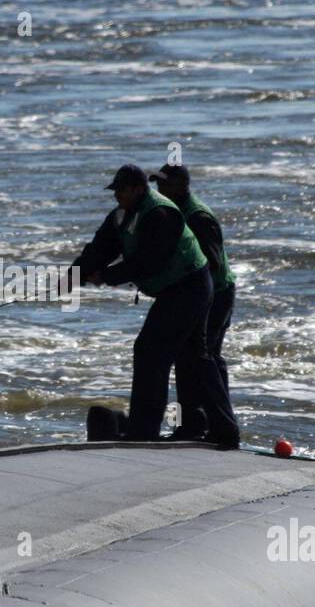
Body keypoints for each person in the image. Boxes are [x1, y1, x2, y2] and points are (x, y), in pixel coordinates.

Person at [73, 164, 240, 449]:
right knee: (194, 357)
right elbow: (101, 248)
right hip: (181, 288)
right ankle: (224, 431)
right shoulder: (123, 215)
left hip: (191, 286)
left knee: (151, 350)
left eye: (122, 191)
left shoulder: (161, 214)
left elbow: (150, 261)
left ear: (138, 189)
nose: (117, 197)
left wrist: (108, 276)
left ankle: (143, 430)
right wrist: (73, 276)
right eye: (115, 192)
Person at [150, 164, 236, 441]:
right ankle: (199, 424)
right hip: (198, 293)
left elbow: (211, 263)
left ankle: (207, 426)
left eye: (164, 185)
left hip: (216, 294)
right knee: (196, 358)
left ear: (182, 186)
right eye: (157, 184)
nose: (159, 190)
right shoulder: (173, 212)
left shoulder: (197, 217)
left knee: (200, 358)